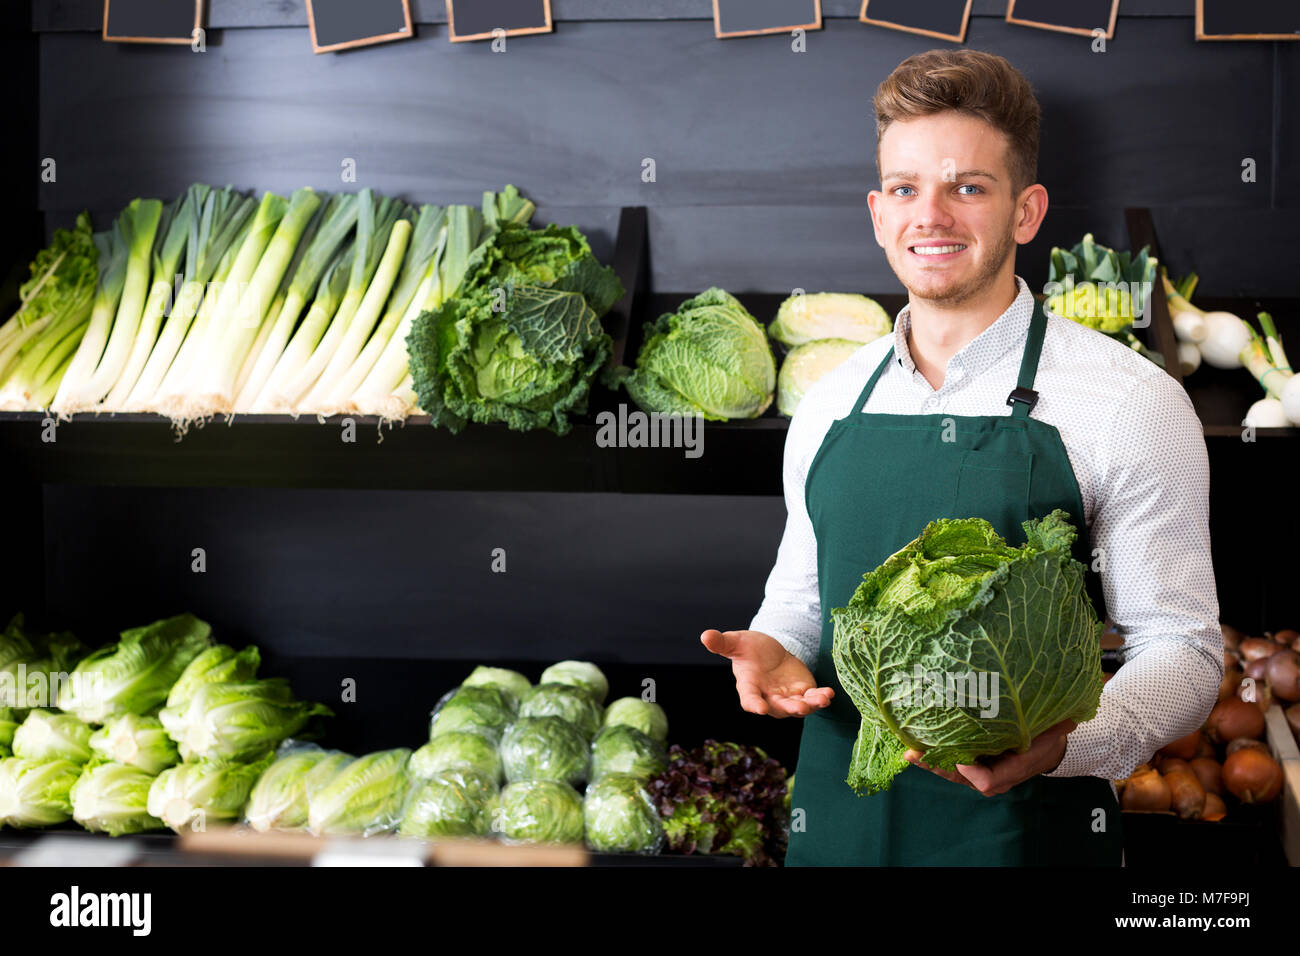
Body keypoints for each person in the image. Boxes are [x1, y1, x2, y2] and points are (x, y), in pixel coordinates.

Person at [701, 49, 1222, 866]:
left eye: (967, 187)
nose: (931, 216)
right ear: (878, 213)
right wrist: (774, 646)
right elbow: (805, 595)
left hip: (1026, 838)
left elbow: (1183, 650)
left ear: (1026, 210)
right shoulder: (832, 400)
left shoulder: (1129, 402)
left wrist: (1065, 746)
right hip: (840, 826)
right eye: (906, 189)